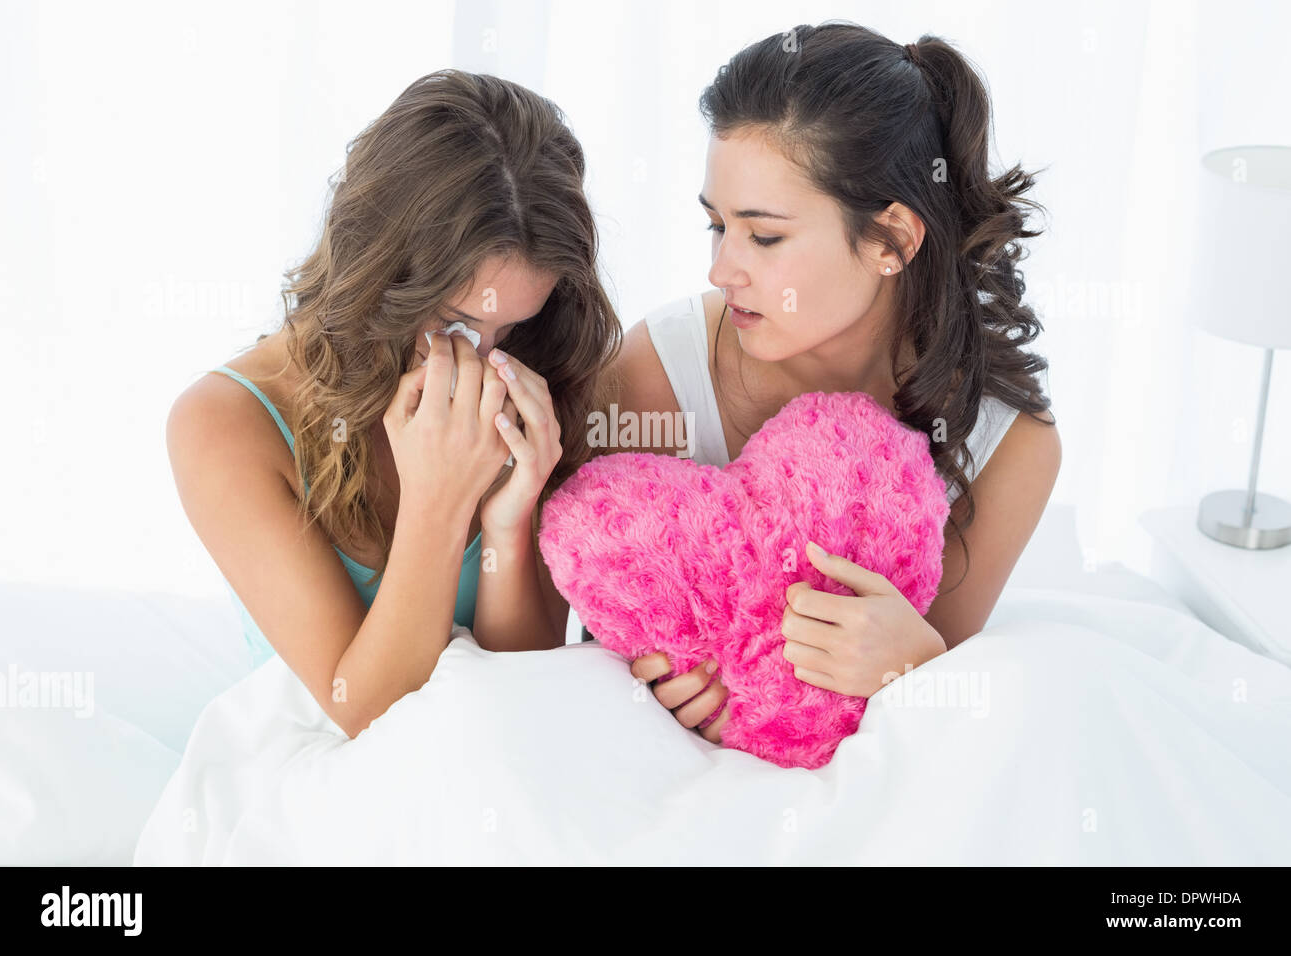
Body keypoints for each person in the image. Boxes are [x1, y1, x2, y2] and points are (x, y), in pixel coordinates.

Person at [604, 23, 1062, 743]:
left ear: (891, 241)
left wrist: (917, 666)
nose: (722, 271)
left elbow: (942, 734)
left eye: (764, 236)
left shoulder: (1012, 445)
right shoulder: (656, 370)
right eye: (716, 226)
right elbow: (586, 612)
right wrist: (640, 689)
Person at [166, 70, 620, 739]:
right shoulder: (222, 424)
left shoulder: (548, 371)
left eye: (514, 327)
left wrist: (506, 521)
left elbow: (522, 690)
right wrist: (438, 500)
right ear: (379, 273)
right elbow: (366, 710)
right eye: (457, 324)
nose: (487, 359)